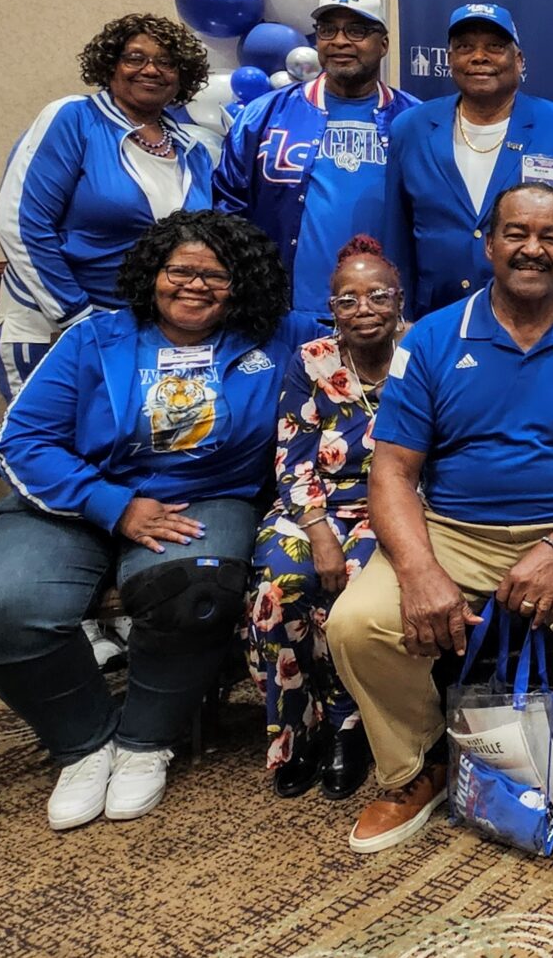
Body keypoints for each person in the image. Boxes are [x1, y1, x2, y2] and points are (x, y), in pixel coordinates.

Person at [329, 184, 553, 853]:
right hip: (453, 528)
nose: (533, 248)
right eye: (516, 232)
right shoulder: (429, 338)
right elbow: (391, 471)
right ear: (488, 243)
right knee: (357, 623)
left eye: (551, 236)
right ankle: (417, 767)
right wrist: (419, 570)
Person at [0, 211, 305, 830]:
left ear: (242, 283)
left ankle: (145, 741)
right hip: (76, 500)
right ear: (153, 274)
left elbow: (367, 327)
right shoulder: (94, 339)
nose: (194, 286)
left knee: (196, 588)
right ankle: (86, 745)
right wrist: (114, 507)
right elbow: (24, 440)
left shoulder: (273, 339)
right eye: (180, 270)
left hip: (203, 496)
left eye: (216, 275)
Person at [245, 236, 407, 800]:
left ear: (400, 300)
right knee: (280, 586)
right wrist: (318, 531)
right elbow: (291, 455)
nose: (364, 310)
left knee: (354, 593)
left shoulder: (423, 355)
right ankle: (295, 733)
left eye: (378, 296)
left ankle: (346, 727)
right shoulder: (312, 361)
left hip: (395, 506)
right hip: (312, 504)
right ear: (331, 308)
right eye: (348, 300)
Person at [0, 13, 216, 398]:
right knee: (41, 449)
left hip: (137, 333)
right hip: (54, 329)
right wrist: (76, 315)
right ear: (110, 64)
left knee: (116, 453)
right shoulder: (73, 119)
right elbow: (19, 224)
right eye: (135, 57)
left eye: (166, 62)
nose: (151, 69)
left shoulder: (191, 148)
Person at [214, 0, 420, 314]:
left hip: (381, 316)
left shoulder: (415, 120)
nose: (340, 41)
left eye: (357, 30)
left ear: (383, 44)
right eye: (328, 30)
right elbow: (228, 208)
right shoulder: (265, 115)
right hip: (284, 313)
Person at [381, 3, 553, 313]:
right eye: (465, 47)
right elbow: (396, 235)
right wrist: (400, 315)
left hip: (536, 316)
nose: (479, 56)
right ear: (450, 60)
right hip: (434, 318)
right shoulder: (411, 128)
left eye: (495, 47)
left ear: (519, 60)